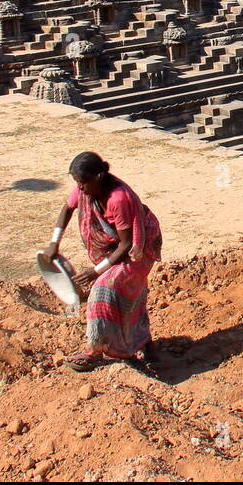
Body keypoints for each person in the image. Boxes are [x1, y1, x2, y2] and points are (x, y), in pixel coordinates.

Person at [42, 151, 164, 372]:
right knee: (130, 294)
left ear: (98, 176)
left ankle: (95, 351)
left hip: (138, 249)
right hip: (116, 249)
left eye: (82, 182)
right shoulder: (85, 189)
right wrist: (54, 243)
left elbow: (126, 244)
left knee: (103, 290)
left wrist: (95, 271)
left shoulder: (118, 198)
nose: (79, 188)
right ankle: (146, 344)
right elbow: (67, 209)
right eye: (77, 183)